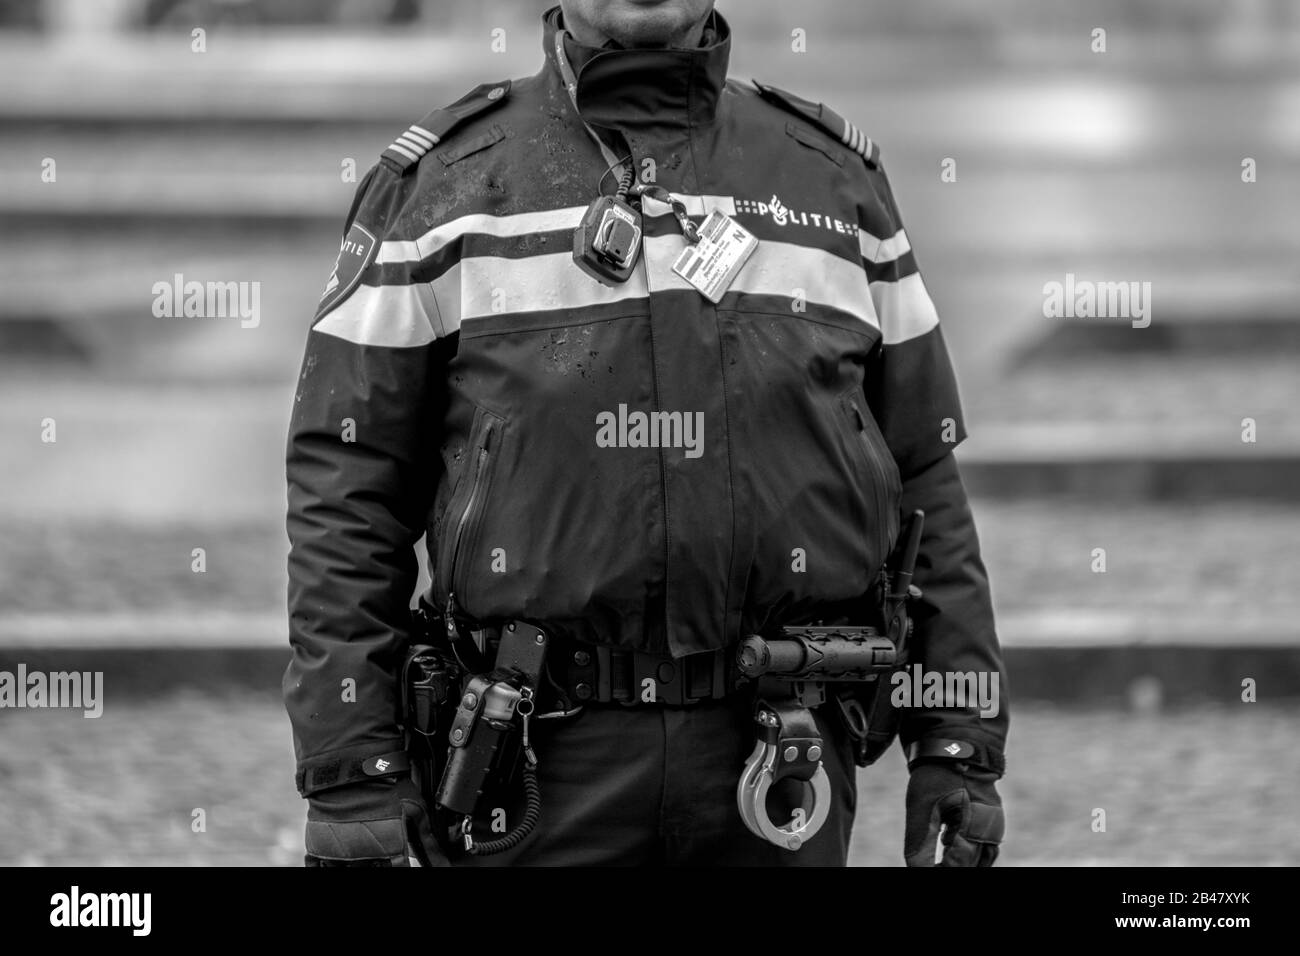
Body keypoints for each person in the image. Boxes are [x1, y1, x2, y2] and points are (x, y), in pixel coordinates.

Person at [285, 0, 1008, 867]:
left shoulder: (831, 179)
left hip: (781, 773)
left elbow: (922, 469)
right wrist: (352, 769)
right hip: (528, 777)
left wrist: (957, 738)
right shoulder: (440, 187)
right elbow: (346, 487)